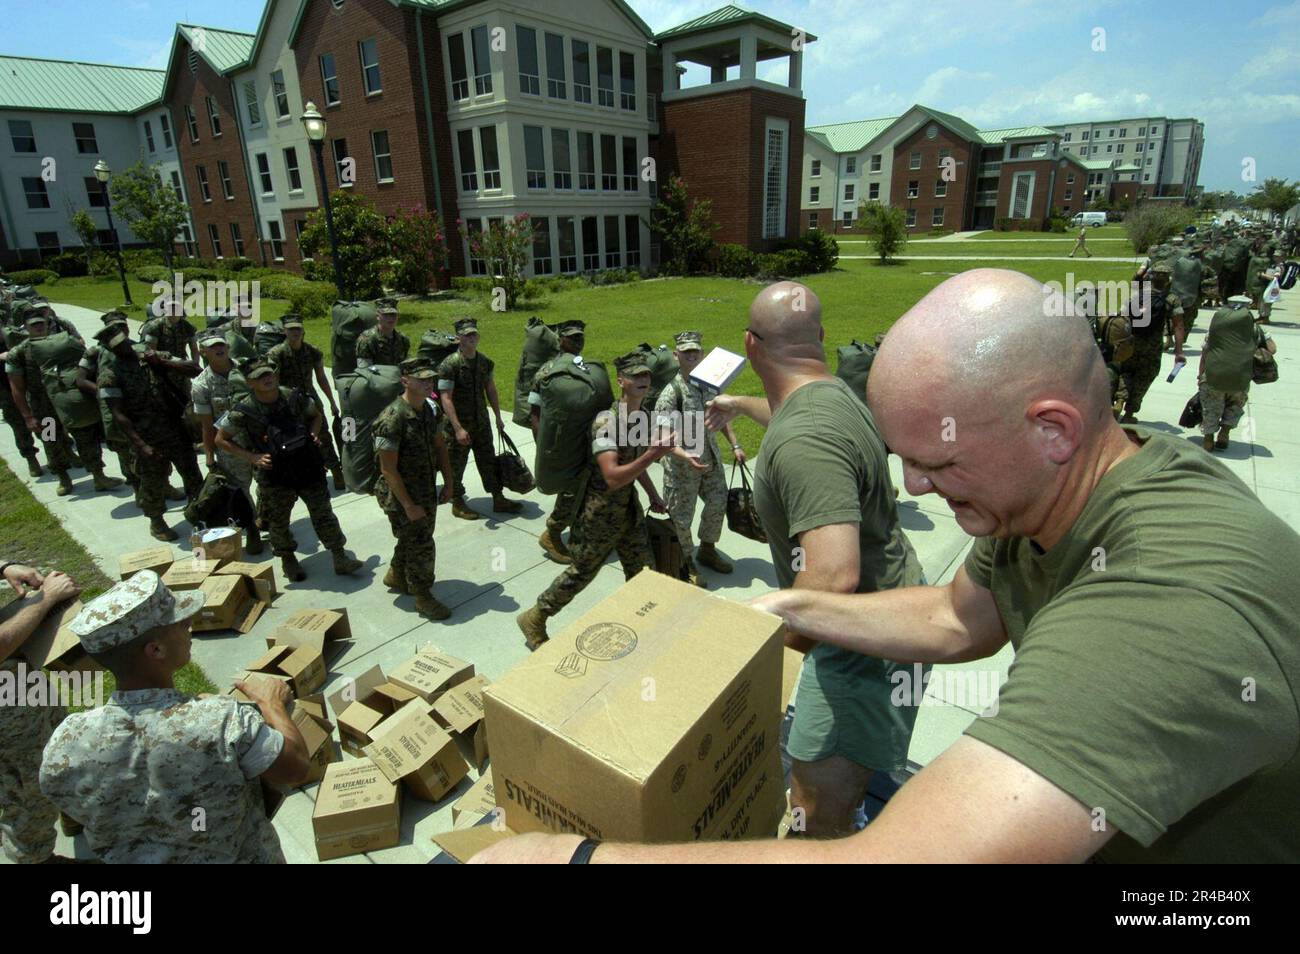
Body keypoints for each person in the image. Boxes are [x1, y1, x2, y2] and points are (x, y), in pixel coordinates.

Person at [475, 267, 1300, 865]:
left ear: (1052, 429)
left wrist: (571, 859)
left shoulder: (1168, 601)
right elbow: (954, 617)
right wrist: (781, 614)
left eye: (937, 461)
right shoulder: (1046, 496)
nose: (911, 486)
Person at [702, 282, 925, 838]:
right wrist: (738, 405)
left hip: (861, 651)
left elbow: (831, 575)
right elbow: (788, 411)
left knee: (814, 806)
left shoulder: (804, 438)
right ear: (819, 339)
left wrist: (752, 662)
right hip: (893, 619)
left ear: (749, 346)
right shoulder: (834, 394)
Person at [39, 570, 310, 863]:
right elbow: (294, 769)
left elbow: (67, 799)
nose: (189, 624)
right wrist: (273, 704)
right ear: (156, 650)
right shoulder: (219, 721)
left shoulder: (67, 741)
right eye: (178, 622)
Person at [516, 351, 669, 651]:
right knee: (582, 572)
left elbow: (634, 461)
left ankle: (644, 620)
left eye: (646, 375)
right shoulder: (605, 422)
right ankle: (535, 616)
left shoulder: (640, 416)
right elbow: (612, 475)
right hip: (598, 512)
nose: (643, 380)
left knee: (643, 569)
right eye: (636, 375)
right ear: (620, 381)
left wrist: (652, 493)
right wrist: (654, 455)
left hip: (628, 508)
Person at [216, 358, 363, 582]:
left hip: (307, 466)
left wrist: (313, 433)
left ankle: (339, 555)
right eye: (259, 377)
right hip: (275, 474)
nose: (267, 379)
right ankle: (287, 558)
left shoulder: (293, 397)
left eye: (269, 374)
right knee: (279, 520)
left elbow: (316, 415)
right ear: (250, 382)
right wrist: (252, 457)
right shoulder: (243, 410)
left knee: (323, 513)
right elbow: (221, 439)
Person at [0, 563, 81, 863]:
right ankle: (34, 858)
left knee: (60, 742)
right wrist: (45, 599)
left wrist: (4, 567)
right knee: (29, 787)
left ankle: (72, 811)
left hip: (17, 679)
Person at [98, 323, 205, 540]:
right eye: (119, 347)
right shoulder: (110, 375)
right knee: (152, 483)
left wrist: (162, 363)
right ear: (111, 350)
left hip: (175, 428)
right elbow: (118, 415)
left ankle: (198, 514)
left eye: (126, 343)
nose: (126, 348)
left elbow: (195, 369)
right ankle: (157, 522)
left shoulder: (152, 357)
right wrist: (141, 445)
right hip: (147, 436)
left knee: (193, 475)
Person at [653, 330, 741, 585]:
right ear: (676, 355)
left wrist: (735, 445)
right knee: (681, 517)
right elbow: (662, 439)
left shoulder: (708, 385)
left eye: (696, 351)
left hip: (710, 458)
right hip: (682, 466)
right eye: (686, 351)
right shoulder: (671, 394)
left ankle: (707, 549)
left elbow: (720, 416)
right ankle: (686, 562)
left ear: (702, 354)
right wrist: (686, 456)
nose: (691, 355)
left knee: (717, 503)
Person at [374, 358, 456, 619]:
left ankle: (397, 575)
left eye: (430, 378)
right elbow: (388, 470)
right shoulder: (392, 418)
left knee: (412, 537)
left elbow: (440, 445)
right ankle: (422, 596)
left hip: (425, 490)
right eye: (421, 379)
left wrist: (450, 481)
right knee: (421, 543)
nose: (427, 383)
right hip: (401, 496)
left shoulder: (429, 410)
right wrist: (408, 505)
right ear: (405, 380)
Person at [437, 317, 522, 519]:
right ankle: (457, 502)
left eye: (474, 334)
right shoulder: (449, 365)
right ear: (458, 338)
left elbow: (490, 389)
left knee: (488, 460)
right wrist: (457, 428)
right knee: (456, 464)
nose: (471, 338)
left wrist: (498, 417)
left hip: (481, 423)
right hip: (459, 426)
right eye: (467, 335)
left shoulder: (484, 362)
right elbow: (446, 398)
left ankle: (498, 498)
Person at [191, 332, 263, 554]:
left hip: (259, 438)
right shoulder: (201, 385)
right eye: (212, 347)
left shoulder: (246, 368)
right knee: (241, 492)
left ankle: (266, 518)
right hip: (231, 447)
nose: (219, 349)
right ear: (203, 351)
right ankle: (252, 529)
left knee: (269, 485)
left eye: (221, 344)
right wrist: (210, 458)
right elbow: (206, 425)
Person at [527, 321, 587, 564]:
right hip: (560, 443)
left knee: (584, 487)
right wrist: (544, 445)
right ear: (560, 340)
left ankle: (577, 534)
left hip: (581, 439)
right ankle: (552, 534)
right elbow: (535, 413)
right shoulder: (545, 372)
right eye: (572, 338)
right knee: (571, 489)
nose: (578, 342)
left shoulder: (583, 366)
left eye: (580, 338)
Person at [4, 311, 83, 495]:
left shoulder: (61, 343)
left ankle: (97, 474)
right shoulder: (19, 353)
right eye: (34, 325)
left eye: (42, 323)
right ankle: (64, 478)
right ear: (26, 327)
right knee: (50, 441)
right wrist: (28, 416)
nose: (39, 327)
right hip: (43, 408)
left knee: (84, 436)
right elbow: (17, 388)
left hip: (67, 402)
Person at [266, 315, 346, 491]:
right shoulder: (276, 354)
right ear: (284, 331)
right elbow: (272, 381)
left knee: (324, 437)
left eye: (298, 329)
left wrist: (332, 402)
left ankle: (337, 472)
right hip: (288, 403)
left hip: (310, 401)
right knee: (295, 440)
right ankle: (306, 476)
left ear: (303, 331)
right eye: (291, 329)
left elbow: (321, 377)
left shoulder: (312, 351)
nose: (295, 332)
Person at [1197, 296, 1276, 452]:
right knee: (1234, 406)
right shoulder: (1255, 329)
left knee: (1211, 408)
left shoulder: (1217, 327)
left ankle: (1208, 439)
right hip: (1240, 376)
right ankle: (1224, 434)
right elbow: (1272, 349)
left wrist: (1201, 375)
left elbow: (1205, 351)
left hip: (1214, 375)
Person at [1118, 263, 1182, 423]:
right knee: (1145, 376)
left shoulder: (1137, 294)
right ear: (1169, 280)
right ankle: (1129, 413)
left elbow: (1122, 315)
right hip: (1152, 346)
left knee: (1125, 370)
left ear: (1151, 276)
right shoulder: (1171, 299)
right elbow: (1179, 325)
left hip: (1131, 340)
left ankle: (1119, 400)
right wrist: (1179, 350)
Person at [354, 300, 409, 368]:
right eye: (386, 315)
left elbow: (406, 365)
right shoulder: (367, 340)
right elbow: (365, 371)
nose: (390, 318)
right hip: (376, 377)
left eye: (393, 314)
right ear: (377, 316)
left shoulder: (403, 339)